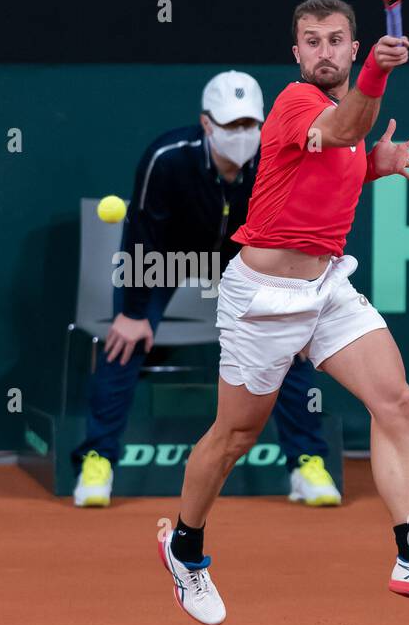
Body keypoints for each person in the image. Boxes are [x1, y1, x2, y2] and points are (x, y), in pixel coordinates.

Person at [157, 0, 409, 625]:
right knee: (235, 437)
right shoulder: (293, 104)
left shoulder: (342, 113)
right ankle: (185, 549)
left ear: (351, 45)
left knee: (396, 400)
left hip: (328, 287)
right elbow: (342, 132)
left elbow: (336, 159)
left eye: (336, 40)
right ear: (297, 52)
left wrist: (373, 170)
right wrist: (379, 76)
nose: (324, 51)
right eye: (311, 41)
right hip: (263, 301)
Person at [71, 71, 341, 508]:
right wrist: (134, 312)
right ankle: (98, 460)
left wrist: (292, 306)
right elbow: (142, 234)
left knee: (287, 345)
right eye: (232, 125)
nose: (243, 134)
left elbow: (292, 235)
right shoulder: (167, 158)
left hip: (244, 261)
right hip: (169, 259)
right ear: (206, 123)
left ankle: (306, 462)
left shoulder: (278, 160)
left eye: (251, 124)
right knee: (124, 342)